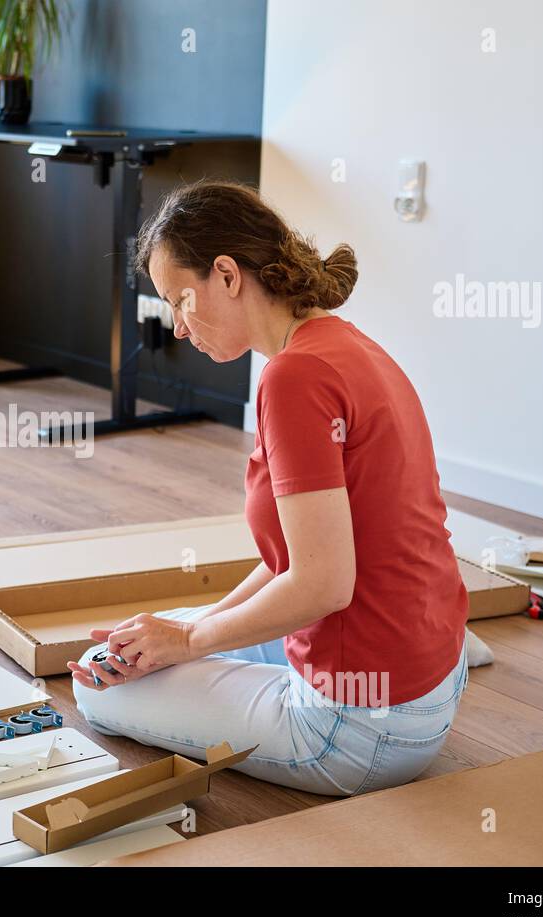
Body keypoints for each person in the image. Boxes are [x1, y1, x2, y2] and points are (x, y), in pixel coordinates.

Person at [68, 180, 471, 796]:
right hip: (425, 681)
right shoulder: (344, 344)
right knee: (142, 643)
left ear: (226, 275)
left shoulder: (293, 379)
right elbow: (296, 559)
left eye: (179, 300)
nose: (178, 327)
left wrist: (191, 640)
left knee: (97, 682)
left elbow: (321, 584)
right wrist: (191, 629)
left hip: (357, 729)